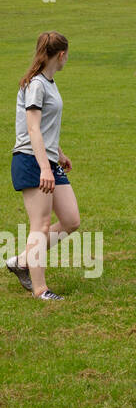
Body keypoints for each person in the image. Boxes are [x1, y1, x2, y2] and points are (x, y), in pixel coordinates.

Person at [6, 32, 80, 300]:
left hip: (47, 159)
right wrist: (45, 168)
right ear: (61, 55)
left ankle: (22, 260)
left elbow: (47, 127)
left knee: (71, 220)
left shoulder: (49, 82)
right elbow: (33, 128)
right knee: (41, 225)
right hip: (31, 160)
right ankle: (40, 290)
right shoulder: (36, 84)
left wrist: (58, 154)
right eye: (67, 55)